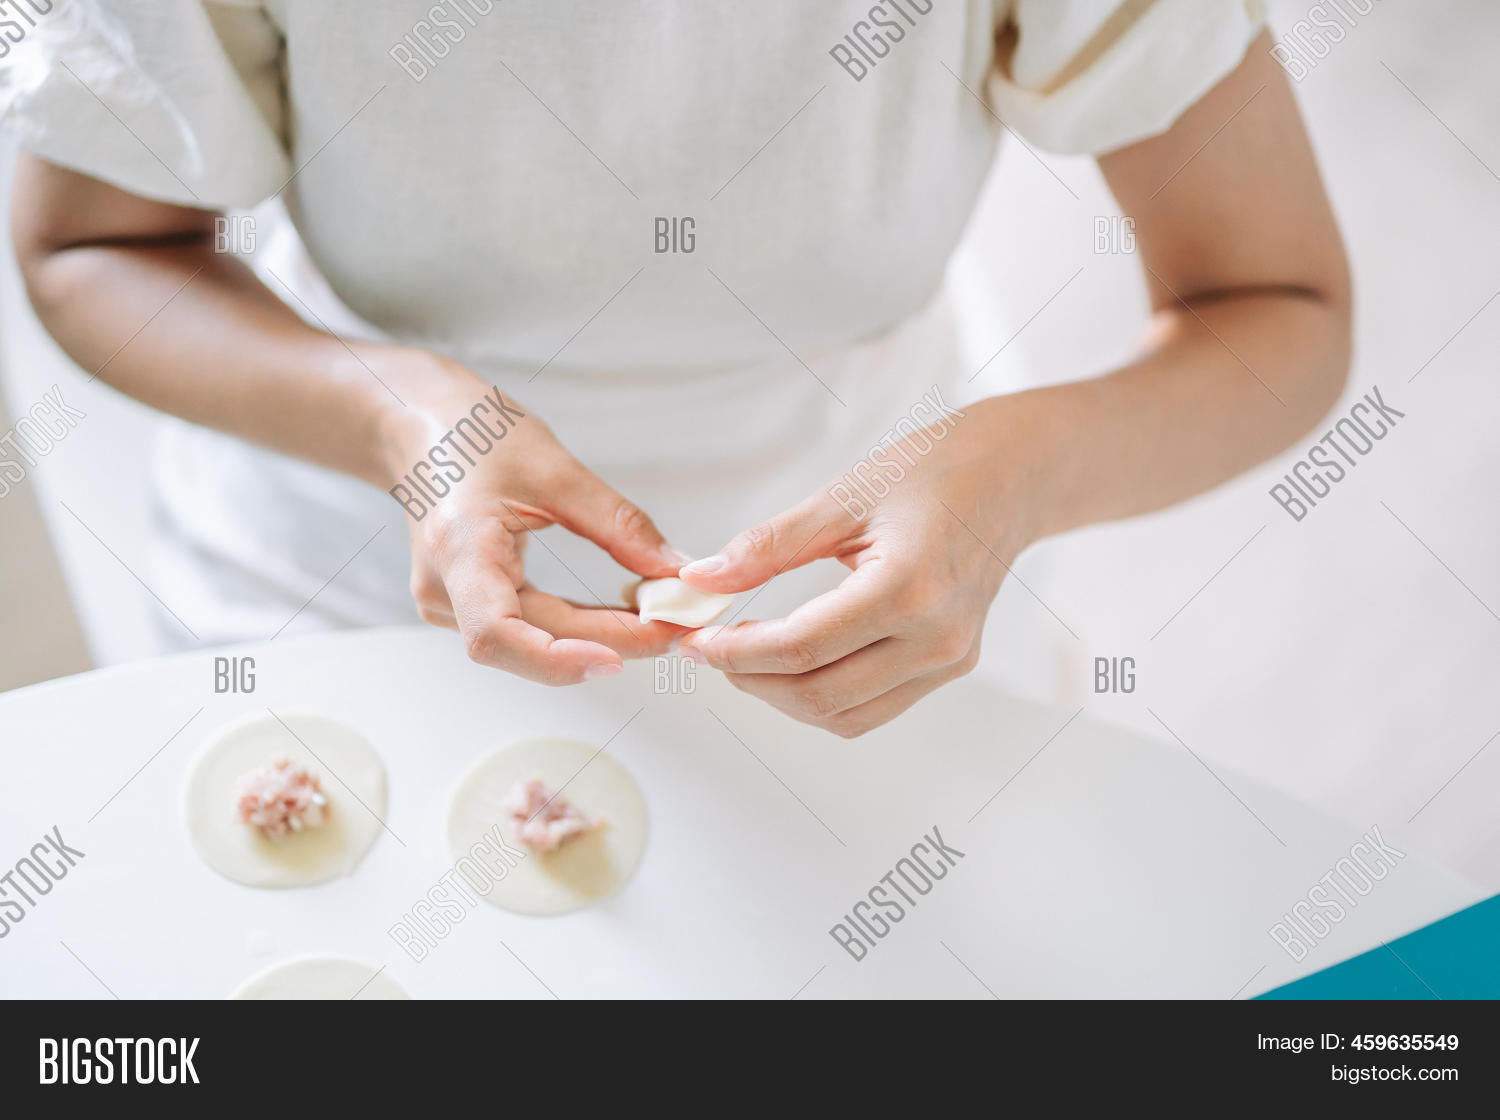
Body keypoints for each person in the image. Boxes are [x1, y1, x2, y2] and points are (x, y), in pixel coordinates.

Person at [2, 1, 1349, 736]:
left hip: (890, 636)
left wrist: (1010, 474)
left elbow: (1278, 304)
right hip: (338, 590)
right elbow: (91, 250)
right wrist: (407, 421)